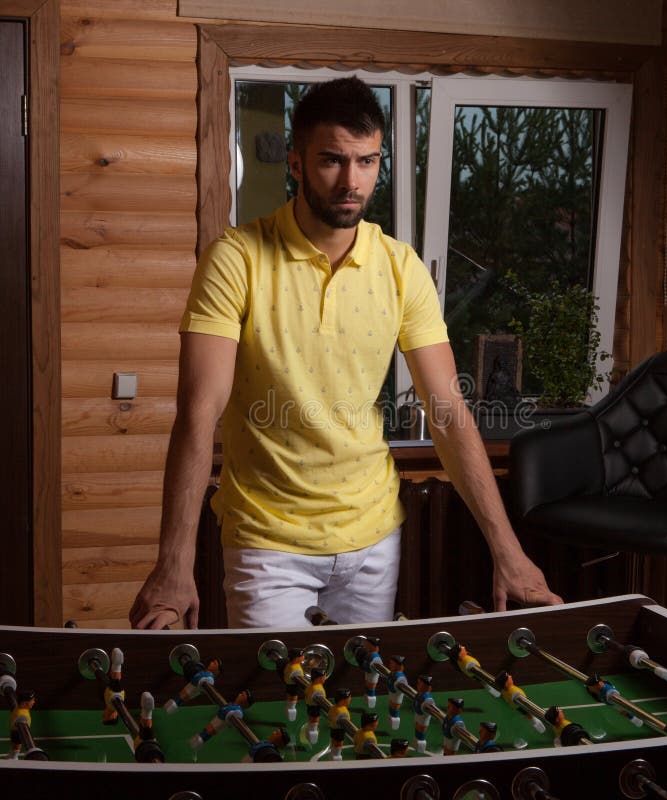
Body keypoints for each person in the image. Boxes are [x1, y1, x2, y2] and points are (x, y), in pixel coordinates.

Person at [129, 75, 561, 631]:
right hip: (267, 542)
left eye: (367, 161)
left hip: (374, 539)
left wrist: (509, 551)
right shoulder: (235, 259)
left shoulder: (402, 268)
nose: (351, 181)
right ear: (296, 162)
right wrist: (173, 564)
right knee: (277, 710)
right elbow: (197, 414)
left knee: (357, 709)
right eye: (333, 160)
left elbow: (449, 414)